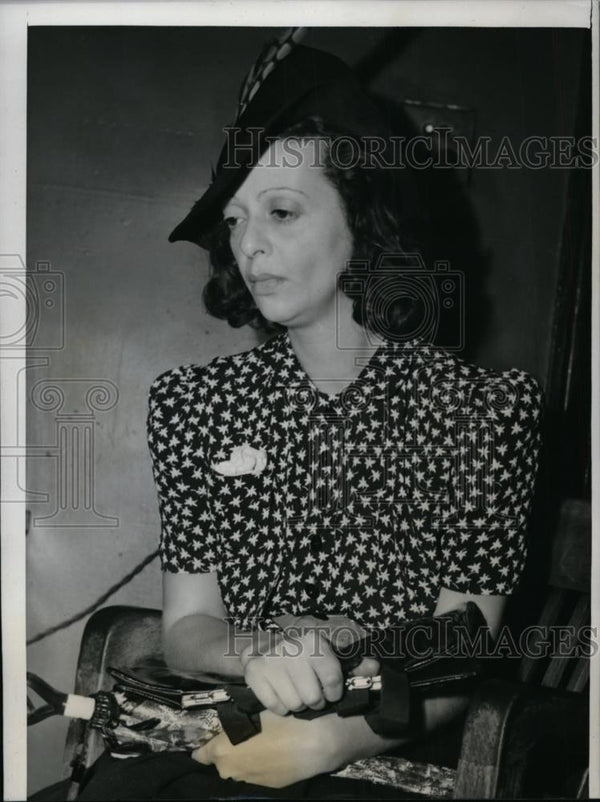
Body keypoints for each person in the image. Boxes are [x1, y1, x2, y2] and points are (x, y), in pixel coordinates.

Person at [77, 34, 542, 800]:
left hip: (388, 750)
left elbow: (464, 651)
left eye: (282, 212)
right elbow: (189, 630)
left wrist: (332, 739)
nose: (250, 245)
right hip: (222, 732)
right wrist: (266, 648)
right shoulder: (194, 405)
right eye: (234, 220)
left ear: (362, 216)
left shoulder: (485, 412)